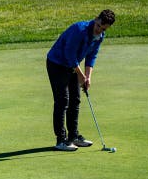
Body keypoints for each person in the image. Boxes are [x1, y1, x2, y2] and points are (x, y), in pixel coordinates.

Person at [46, 9, 116, 151]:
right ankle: (61, 140)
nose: (99, 31)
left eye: (103, 29)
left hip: (72, 65)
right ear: (96, 19)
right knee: (62, 100)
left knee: (75, 99)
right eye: (98, 26)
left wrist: (88, 76)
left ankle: (73, 136)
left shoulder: (100, 36)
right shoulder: (79, 30)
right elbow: (69, 53)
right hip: (57, 64)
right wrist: (80, 74)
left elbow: (91, 56)